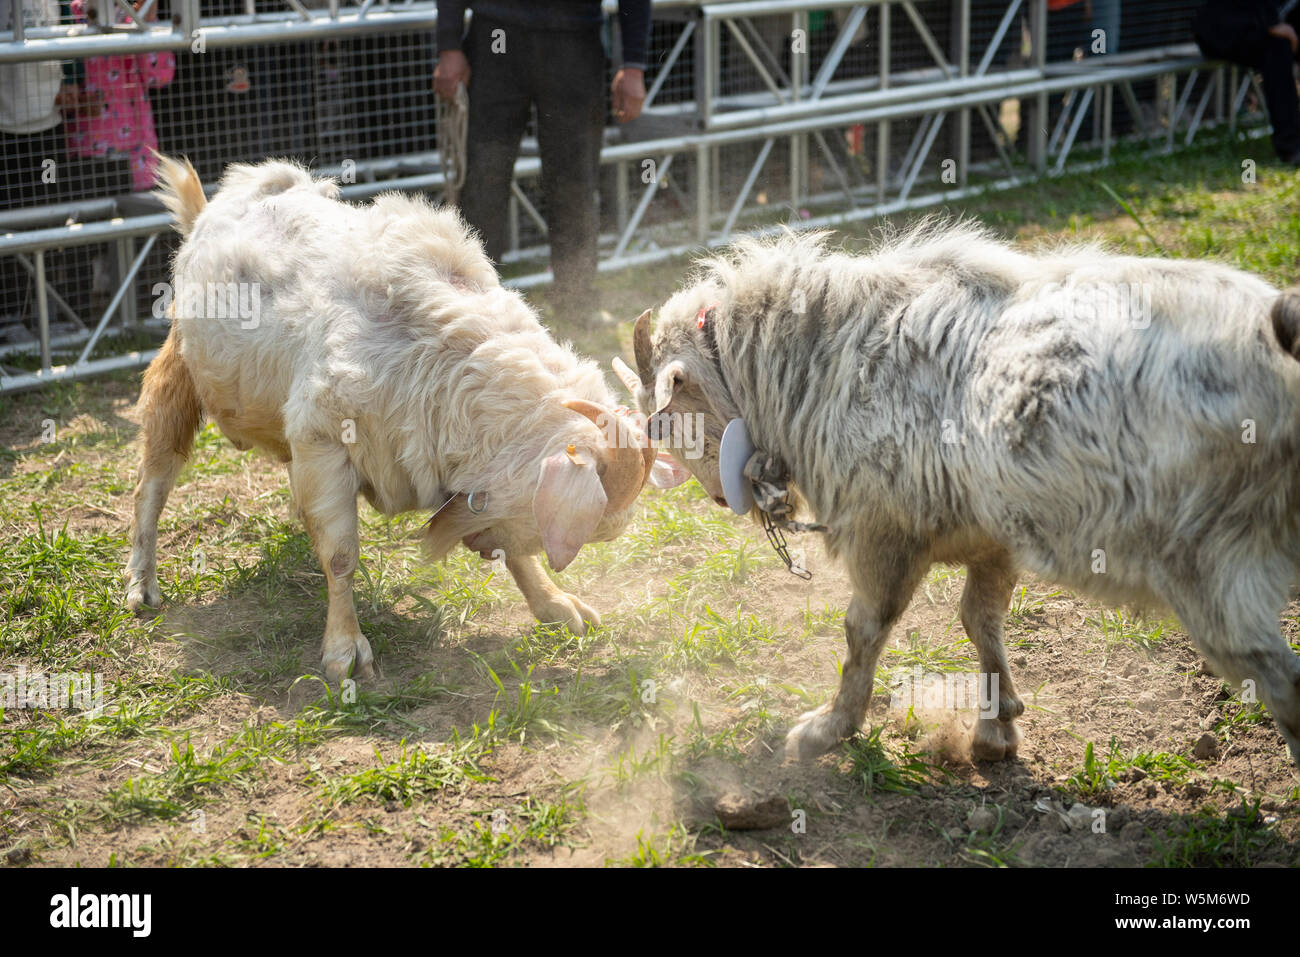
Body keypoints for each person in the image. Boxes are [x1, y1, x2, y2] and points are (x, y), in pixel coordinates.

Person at [433, 1, 652, 321]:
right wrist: (448, 44)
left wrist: (634, 64)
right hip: (497, 34)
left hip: (575, 41)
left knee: (576, 183)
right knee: (483, 179)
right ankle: (473, 306)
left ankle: (576, 304)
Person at [1193, 0, 1300, 165]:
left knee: (1279, 46)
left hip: (1265, 25)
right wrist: (1272, 24)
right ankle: (1290, 146)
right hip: (1223, 27)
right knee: (1278, 49)